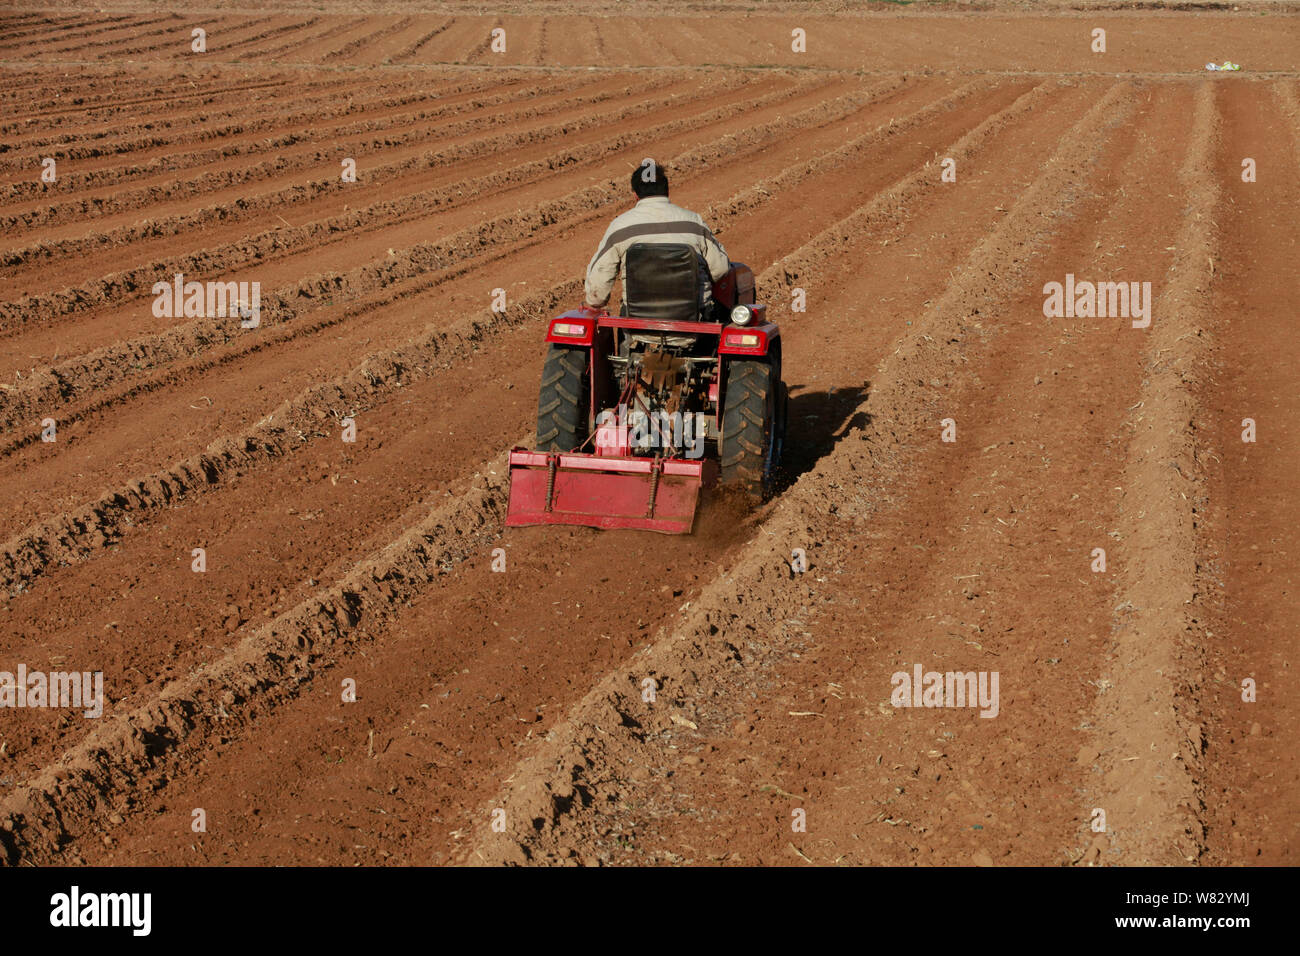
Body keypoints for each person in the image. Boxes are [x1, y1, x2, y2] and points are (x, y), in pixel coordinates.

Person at [583, 162, 730, 315]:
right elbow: (721, 268)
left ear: (635, 195)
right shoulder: (693, 222)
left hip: (637, 323)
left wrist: (595, 301)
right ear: (667, 190)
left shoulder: (620, 227)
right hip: (695, 319)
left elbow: (598, 286)